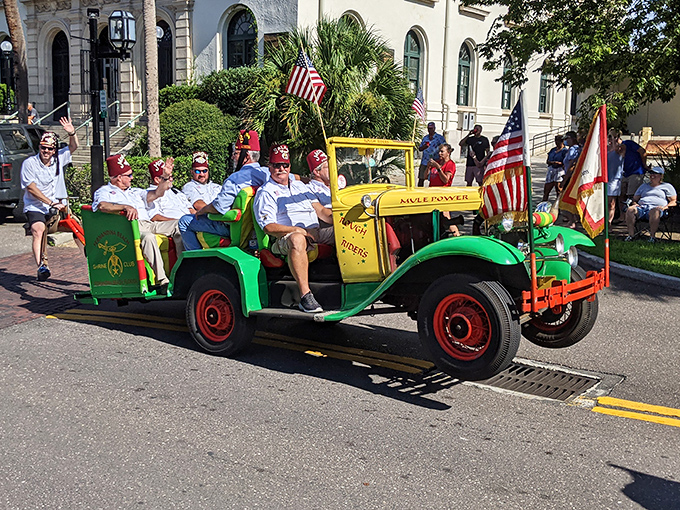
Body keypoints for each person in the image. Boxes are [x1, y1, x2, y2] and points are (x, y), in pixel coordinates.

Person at [254, 144, 334, 313]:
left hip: (315, 232)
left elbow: (321, 211)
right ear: (270, 168)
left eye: (285, 165)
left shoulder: (300, 187)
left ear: (290, 167)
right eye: (276, 165)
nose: (281, 169)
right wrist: (299, 231)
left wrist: (342, 217)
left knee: (347, 231)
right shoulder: (266, 192)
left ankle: (356, 281)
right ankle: (305, 297)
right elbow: (268, 226)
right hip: (285, 238)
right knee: (297, 239)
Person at [92, 155, 182, 291]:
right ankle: (163, 281)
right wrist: (124, 207)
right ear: (118, 177)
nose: (132, 178)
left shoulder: (134, 191)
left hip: (150, 224)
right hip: (131, 228)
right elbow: (102, 206)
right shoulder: (105, 191)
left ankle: (182, 272)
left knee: (182, 225)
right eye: (129, 175)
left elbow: (157, 193)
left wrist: (164, 176)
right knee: (149, 238)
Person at [178, 130, 269, 251]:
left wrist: (203, 211)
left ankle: (195, 261)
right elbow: (294, 178)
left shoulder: (235, 179)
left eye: (236, 153)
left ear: (246, 156)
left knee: (184, 221)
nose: (233, 157)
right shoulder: (269, 174)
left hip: (232, 227)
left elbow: (219, 207)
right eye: (198, 171)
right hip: (258, 228)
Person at [20, 117, 78, 281]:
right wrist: (51, 202)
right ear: (39, 147)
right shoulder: (29, 163)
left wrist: (71, 133)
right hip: (36, 207)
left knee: (77, 228)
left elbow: (74, 146)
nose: (45, 151)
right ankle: (42, 266)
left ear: (54, 150)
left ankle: (92, 261)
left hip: (58, 207)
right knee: (38, 230)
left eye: (49, 149)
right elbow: (31, 188)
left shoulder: (59, 159)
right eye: (43, 148)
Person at [624, 166, 677, 243]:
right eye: (651, 173)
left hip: (658, 209)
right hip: (642, 208)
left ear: (661, 176)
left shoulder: (667, 186)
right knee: (630, 210)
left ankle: (652, 237)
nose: (652, 175)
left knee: (654, 211)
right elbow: (634, 199)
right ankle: (631, 236)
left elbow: (674, 201)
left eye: (655, 173)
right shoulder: (644, 186)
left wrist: (665, 207)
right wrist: (635, 204)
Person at [427, 143, 462, 237]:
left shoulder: (450, 164)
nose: (439, 153)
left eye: (442, 151)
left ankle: (457, 235)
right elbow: (426, 177)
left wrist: (438, 168)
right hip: (432, 193)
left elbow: (446, 180)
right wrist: (428, 167)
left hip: (442, 194)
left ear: (448, 152)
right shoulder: (437, 162)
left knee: (446, 217)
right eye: (439, 151)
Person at [619, 137, 649, 212]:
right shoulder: (613, 148)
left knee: (632, 195)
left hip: (636, 172)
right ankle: (622, 216)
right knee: (621, 194)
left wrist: (644, 165)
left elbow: (642, 151)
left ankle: (631, 215)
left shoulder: (628, 143)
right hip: (625, 173)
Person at [560, 131, 581, 228]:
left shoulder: (574, 149)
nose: (565, 141)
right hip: (569, 176)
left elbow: (572, 165)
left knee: (565, 200)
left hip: (571, 177)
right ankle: (573, 220)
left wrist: (565, 179)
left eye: (567, 139)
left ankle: (572, 221)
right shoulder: (571, 149)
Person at [417, 122, 446, 187]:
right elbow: (420, 149)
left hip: (435, 161)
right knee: (421, 178)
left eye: (431, 128)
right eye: (429, 128)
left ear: (434, 128)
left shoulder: (439, 138)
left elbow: (445, 147)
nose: (430, 130)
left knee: (434, 179)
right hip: (425, 161)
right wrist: (424, 146)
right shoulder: (425, 138)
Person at [607, 130, 625, 225]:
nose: (611, 139)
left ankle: (609, 222)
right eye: (609, 137)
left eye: (613, 138)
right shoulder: (605, 149)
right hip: (604, 179)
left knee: (611, 202)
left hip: (614, 179)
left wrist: (615, 139)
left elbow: (616, 150)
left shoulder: (620, 150)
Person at [543, 135, 567, 202]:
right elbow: (547, 161)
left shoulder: (565, 151)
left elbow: (566, 162)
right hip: (551, 170)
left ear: (562, 141)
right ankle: (543, 204)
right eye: (555, 141)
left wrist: (559, 163)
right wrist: (552, 162)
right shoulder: (553, 150)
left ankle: (558, 205)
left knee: (559, 190)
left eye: (558, 141)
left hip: (560, 171)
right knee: (546, 189)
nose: (557, 143)